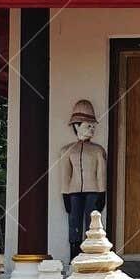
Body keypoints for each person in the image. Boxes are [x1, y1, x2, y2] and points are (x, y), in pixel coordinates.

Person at [59, 98, 107, 258]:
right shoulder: (67, 151)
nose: (92, 129)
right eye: (88, 125)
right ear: (76, 125)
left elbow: (101, 174)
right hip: (73, 192)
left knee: (92, 224)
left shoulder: (98, 151)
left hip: (93, 191)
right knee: (74, 223)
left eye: (93, 125)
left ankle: (90, 255)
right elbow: (65, 175)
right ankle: (74, 255)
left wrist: (102, 192)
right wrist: (65, 193)